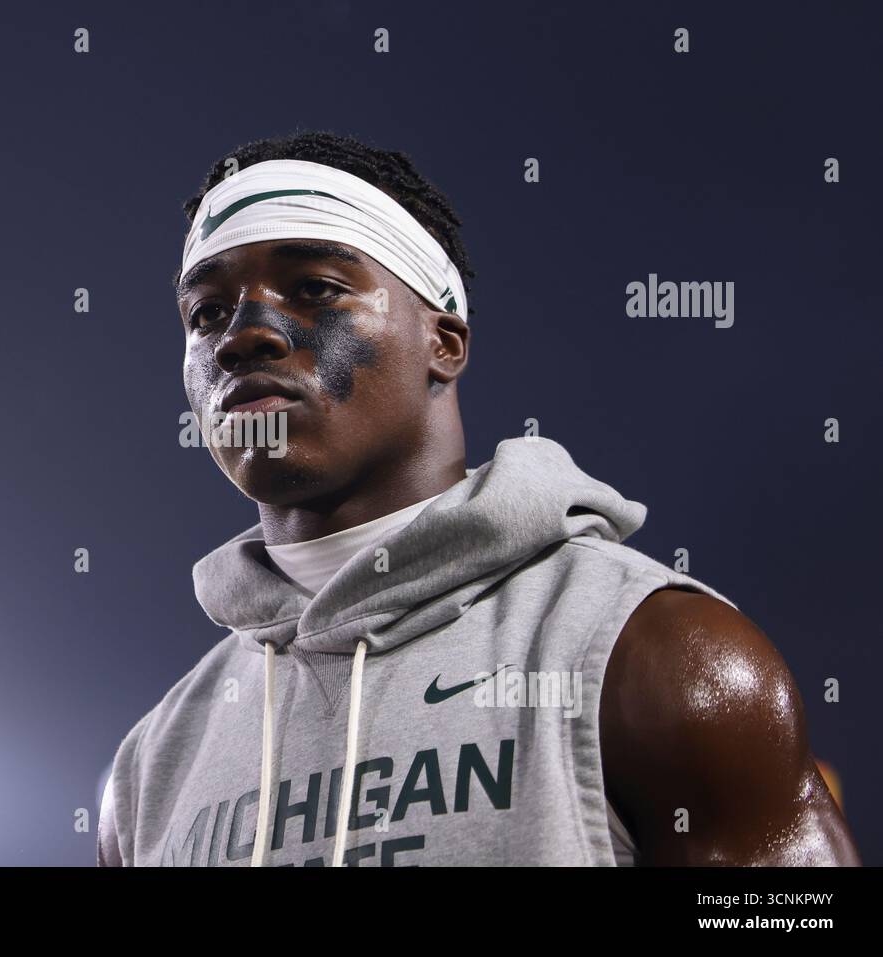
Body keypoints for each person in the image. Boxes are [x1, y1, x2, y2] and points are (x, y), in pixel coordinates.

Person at [97, 131, 860, 866]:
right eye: (206, 313)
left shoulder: (653, 654)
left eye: (314, 289)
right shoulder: (149, 768)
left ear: (444, 341)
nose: (241, 335)